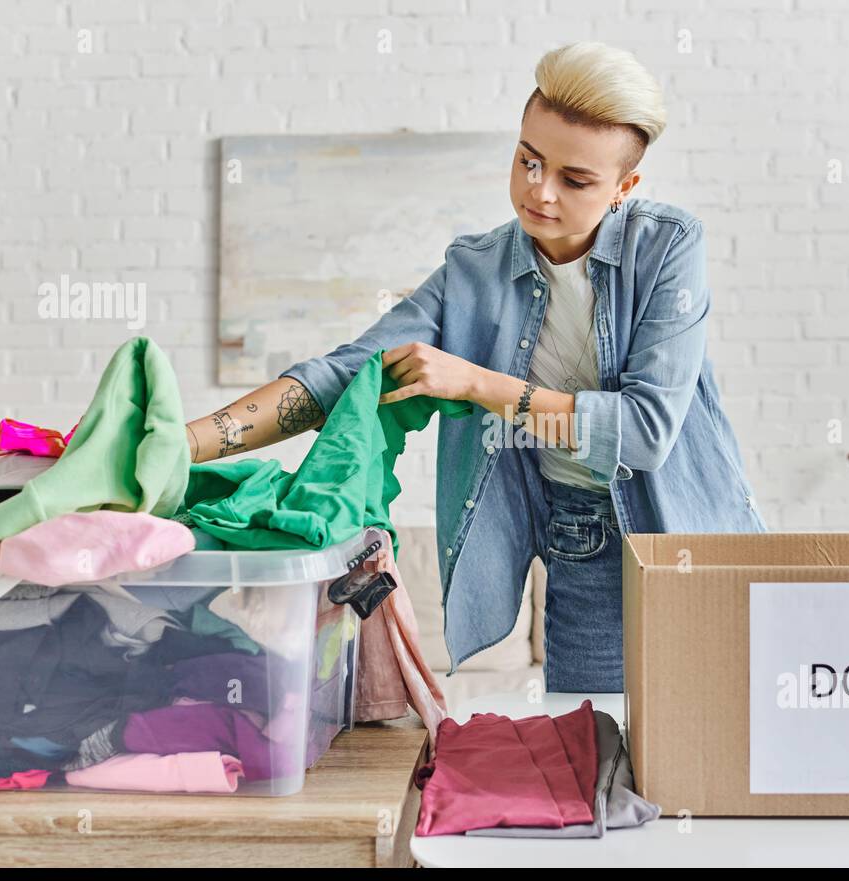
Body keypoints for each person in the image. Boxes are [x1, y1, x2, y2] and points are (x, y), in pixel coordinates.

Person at [185, 41, 768, 694]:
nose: (539, 192)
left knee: (718, 741)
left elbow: (646, 431)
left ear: (623, 189)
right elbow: (345, 374)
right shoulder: (474, 272)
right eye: (528, 160)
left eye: (575, 181)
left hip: (689, 533)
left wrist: (477, 384)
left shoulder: (667, 248)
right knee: (598, 748)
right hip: (581, 539)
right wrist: (182, 444)